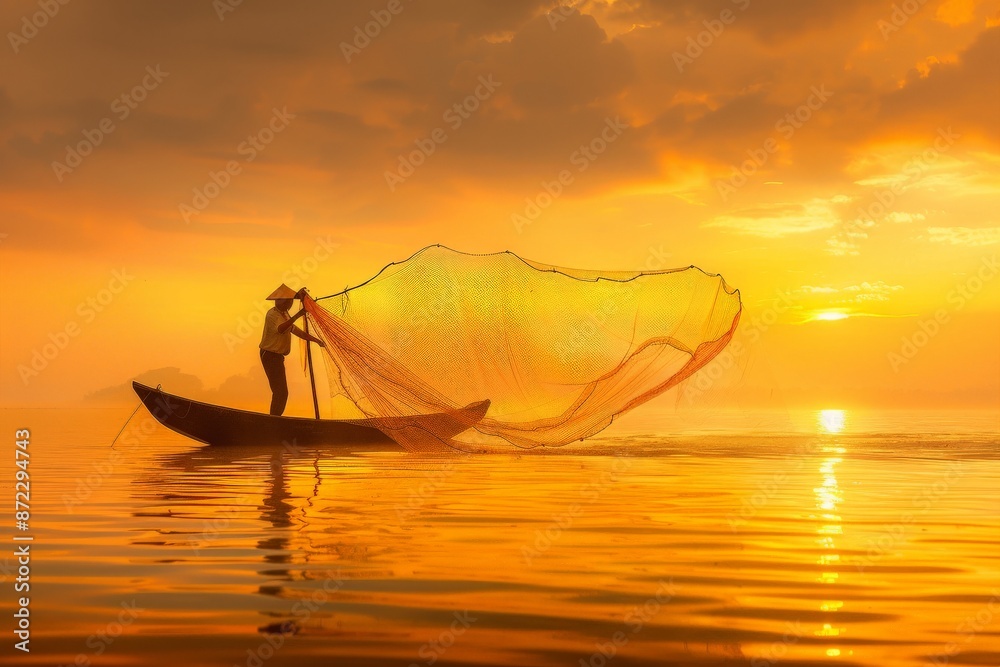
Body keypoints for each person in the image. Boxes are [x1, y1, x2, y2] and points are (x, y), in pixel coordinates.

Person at [259, 284, 326, 416]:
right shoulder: (272, 314)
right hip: (269, 355)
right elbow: (281, 329)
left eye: (287, 300)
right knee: (280, 392)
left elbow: (296, 331)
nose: (284, 303)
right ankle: (274, 420)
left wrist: (316, 340)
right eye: (279, 300)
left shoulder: (284, 314)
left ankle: (274, 419)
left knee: (281, 392)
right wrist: (299, 314)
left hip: (277, 357)